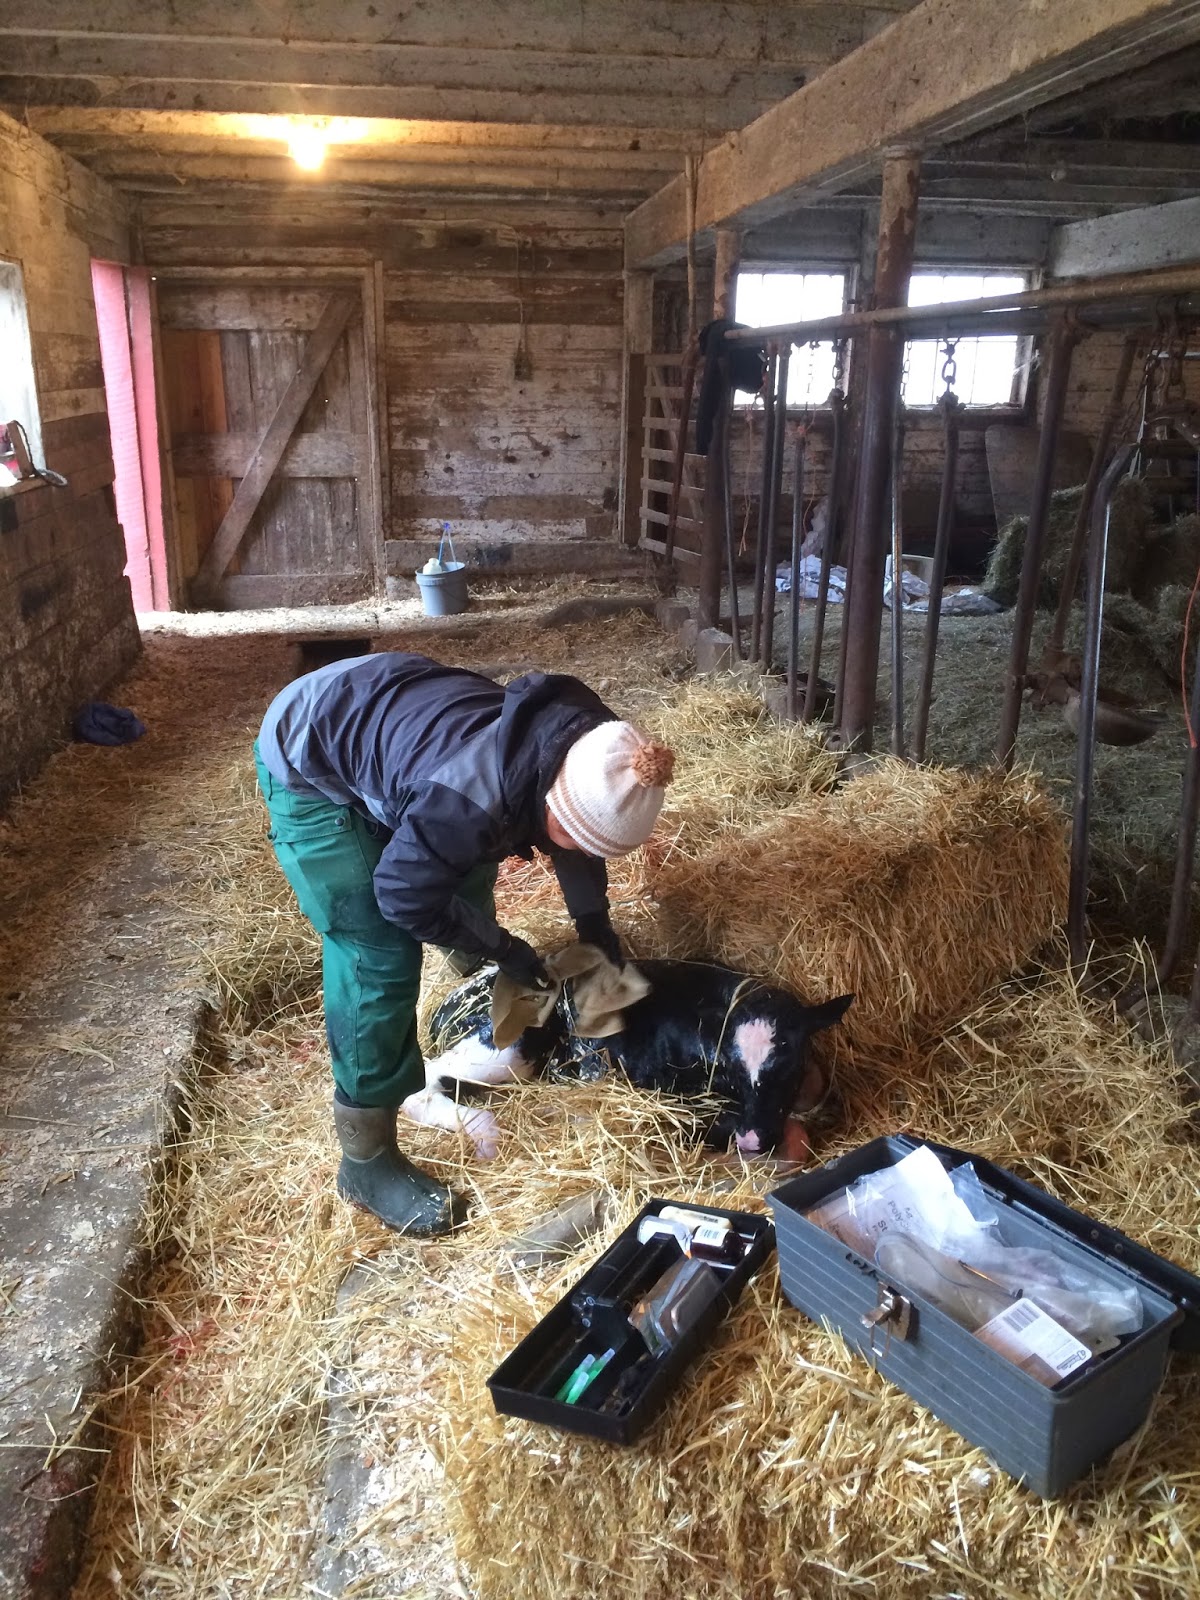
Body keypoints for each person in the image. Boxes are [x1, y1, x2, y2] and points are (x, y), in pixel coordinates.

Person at [254, 651, 675, 1237]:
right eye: (570, 837)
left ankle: (477, 993)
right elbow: (403, 895)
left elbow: (576, 841)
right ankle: (366, 1159)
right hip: (309, 748)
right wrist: (508, 950)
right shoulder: (471, 796)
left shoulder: (601, 748)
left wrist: (595, 928)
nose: (572, 849)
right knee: (379, 952)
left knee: (466, 867)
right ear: (555, 800)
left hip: (388, 714)